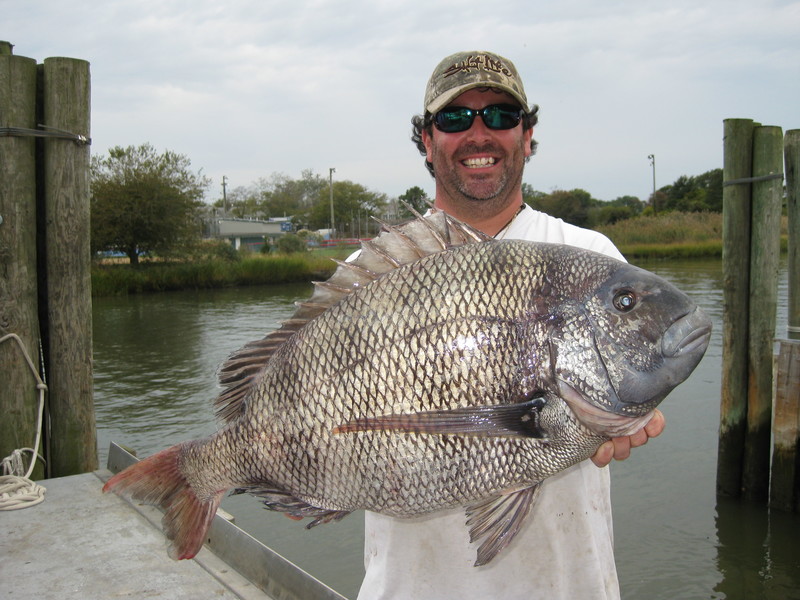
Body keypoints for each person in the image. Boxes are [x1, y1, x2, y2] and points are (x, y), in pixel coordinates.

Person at [356, 50, 665, 600]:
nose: (479, 133)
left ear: (527, 135)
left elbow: (629, 366)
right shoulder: (371, 275)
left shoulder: (590, 255)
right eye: (455, 118)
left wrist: (633, 408)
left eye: (501, 115)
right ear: (427, 139)